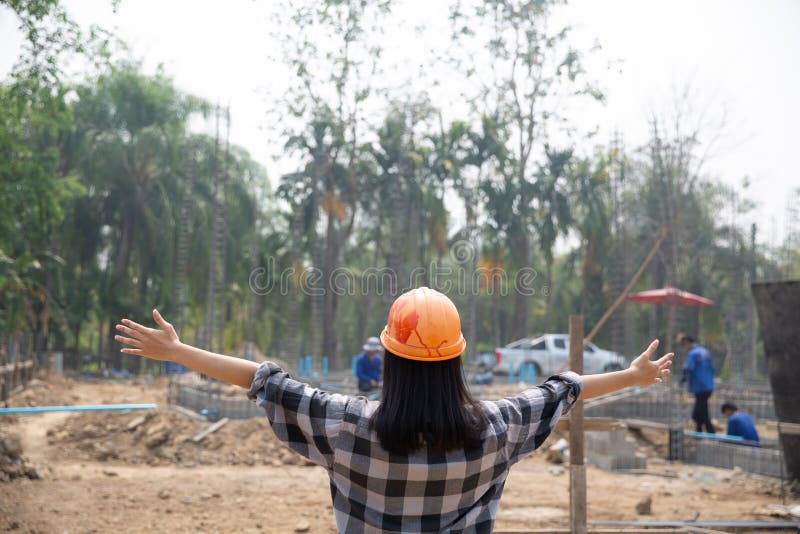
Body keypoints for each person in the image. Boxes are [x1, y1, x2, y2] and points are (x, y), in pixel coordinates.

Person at [114, 286, 673, 533]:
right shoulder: (499, 429)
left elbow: (265, 380)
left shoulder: (345, 426)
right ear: (456, 359)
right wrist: (633, 376)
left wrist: (178, 351)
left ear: (388, 358)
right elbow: (564, 389)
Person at [679, 334, 716, 434]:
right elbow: (712, 367)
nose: (684, 347)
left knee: (699, 413)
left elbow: (688, 368)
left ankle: (710, 433)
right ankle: (699, 432)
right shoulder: (705, 351)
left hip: (699, 386)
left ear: (688, 343)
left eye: (684, 345)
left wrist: (682, 380)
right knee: (701, 410)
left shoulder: (693, 353)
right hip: (708, 385)